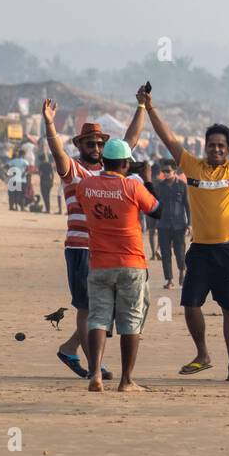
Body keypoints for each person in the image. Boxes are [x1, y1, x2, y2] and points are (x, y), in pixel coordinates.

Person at [143, 87, 229, 381]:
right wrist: (149, 107)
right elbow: (168, 138)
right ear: (205, 146)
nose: (217, 150)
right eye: (212, 145)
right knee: (190, 303)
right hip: (200, 249)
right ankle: (203, 354)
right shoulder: (192, 167)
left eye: (222, 146)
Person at [42, 98, 143, 381]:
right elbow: (56, 151)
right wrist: (50, 123)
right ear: (80, 146)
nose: (96, 149)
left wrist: (142, 107)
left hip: (106, 249)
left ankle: (70, 348)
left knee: (104, 309)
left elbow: (130, 141)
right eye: (90, 144)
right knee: (87, 308)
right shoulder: (73, 170)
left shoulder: (111, 170)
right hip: (80, 248)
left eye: (100, 144)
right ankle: (94, 368)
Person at [75, 138, 160, 392]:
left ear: (103, 161)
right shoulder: (133, 187)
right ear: (125, 164)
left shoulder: (86, 186)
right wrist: (146, 179)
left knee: (98, 318)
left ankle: (95, 375)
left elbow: (84, 205)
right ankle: (126, 380)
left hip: (99, 263)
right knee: (131, 321)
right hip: (131, 263)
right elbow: (157, 210)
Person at [152, 161, 191, 290]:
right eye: (164, 171)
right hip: (163, 225)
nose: (166, 173)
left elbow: (188, 206)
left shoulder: (182, 186)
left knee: (179, 252)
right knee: (165, 253)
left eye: (168, 171)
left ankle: (182, 271)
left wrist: (190, 224)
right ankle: (169, 280)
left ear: (174, 171)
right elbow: (155, 205)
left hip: (179, 225)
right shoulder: (159, 186)